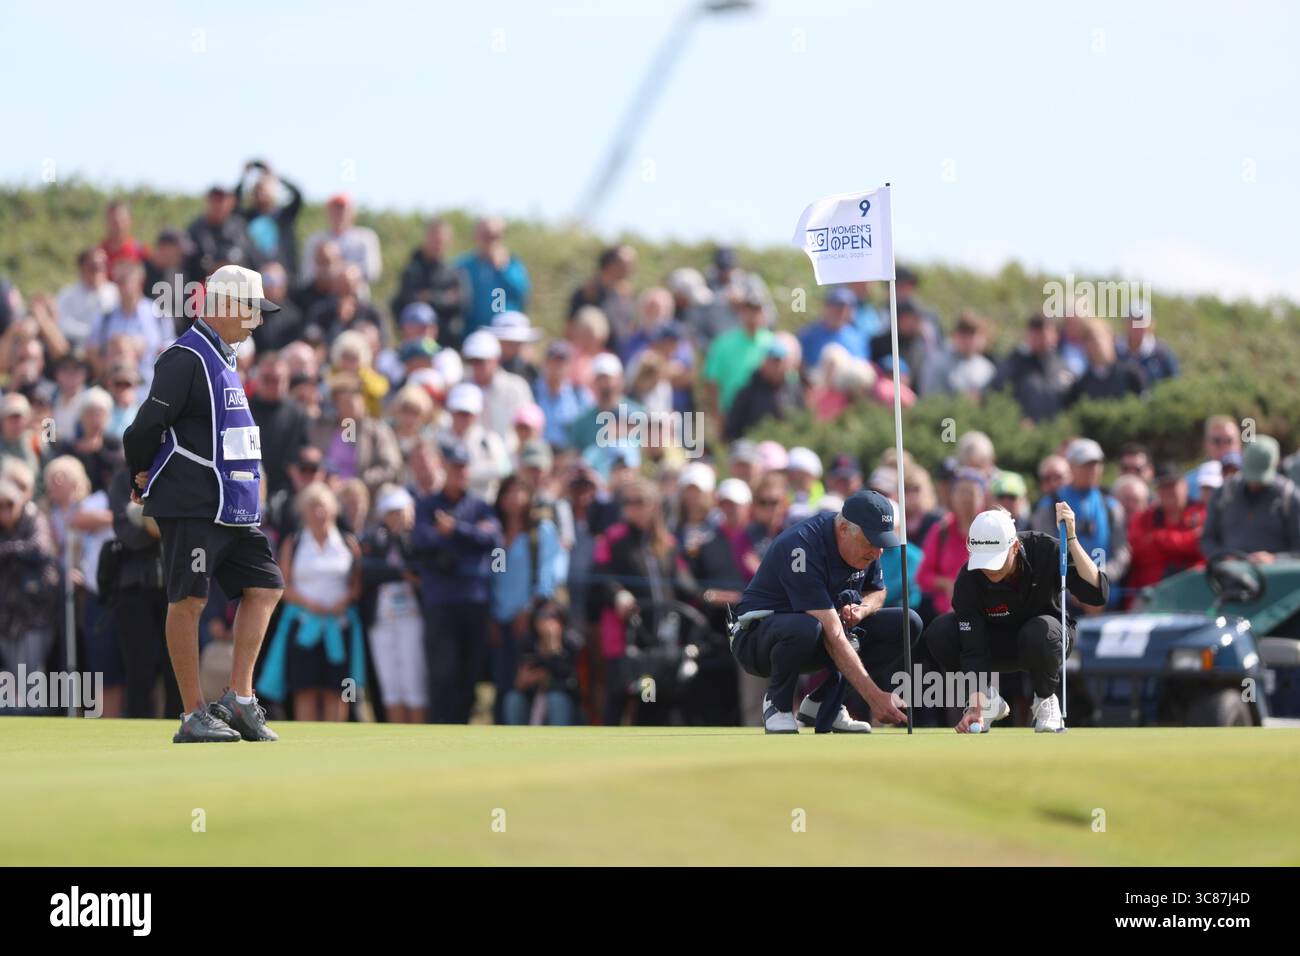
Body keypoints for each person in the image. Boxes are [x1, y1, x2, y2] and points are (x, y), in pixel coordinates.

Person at [121, 265, 285, 743]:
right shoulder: (185, 357)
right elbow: (144, 427)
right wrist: (141, 472)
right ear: (226, 304)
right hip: (192, 502)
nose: (258, 320)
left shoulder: (225, 358)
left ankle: (239, 699)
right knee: (189, 600)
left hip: (232, 506)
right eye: (252, 309)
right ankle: (193, 713)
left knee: (266, 586)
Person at [729, 490, 917, 734]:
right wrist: (874, 696)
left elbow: (877, 591)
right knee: (807, 627)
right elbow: (832, 633)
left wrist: (863, 609)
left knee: (907, 622)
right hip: (756, 640)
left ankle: (824, 703)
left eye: (881, 543)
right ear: (844, 529)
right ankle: (778, 705)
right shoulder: (802, 546)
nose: (877, 552)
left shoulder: (866, 548)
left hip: (815, 638)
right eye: (871, 542)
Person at [921, 505, 1109, 734]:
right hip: (997, 646)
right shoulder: (969, 579)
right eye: (983, 560)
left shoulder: (1045, 549)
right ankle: (989, 702)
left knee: (1038, 632)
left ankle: (1046, 699)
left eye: (996, 560)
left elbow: (1097, 594)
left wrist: (1071, 539)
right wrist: (977, 701)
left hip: (1047, 641)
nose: (989, 569)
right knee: (940, 632)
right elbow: (973, 648)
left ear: (1015, 547)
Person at [412, 442, 502, 723]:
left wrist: (455, 530)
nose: (459, 472)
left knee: (469, 672)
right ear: (445, 469)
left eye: (463, 467)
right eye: (455, 467)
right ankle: (439, 729)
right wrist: (466, 538)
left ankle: (462, 728)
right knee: (443, 672)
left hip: (474, 600)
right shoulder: (428, 505)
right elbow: (421, 539)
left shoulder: (480, 506)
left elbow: (492, 539)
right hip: (441, 600)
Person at [261, 483, 364, 721]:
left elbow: (357, 586)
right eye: (312, 507)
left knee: (339, 690)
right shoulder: (294, 542)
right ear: (303, 511)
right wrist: (309, 604)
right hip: (303, 625)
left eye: (323, 506)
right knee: (304, 689)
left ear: (334, 509)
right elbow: (283, 586)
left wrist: (344, 601)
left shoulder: (348, 542)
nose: (319, 512)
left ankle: (337, 741)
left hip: (339, 626)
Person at [108, 466, 181, 718]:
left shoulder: (177, 470)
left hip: (176, 590)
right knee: (139, 671)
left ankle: (183, 726)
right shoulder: (124, 477)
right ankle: (138, 730)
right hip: (135, 590)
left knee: (177, 670)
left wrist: (149, 519)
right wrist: (160, 525)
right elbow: (127, 531)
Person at [360, 487, 427, 723]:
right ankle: (397, 733)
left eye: (401, 512)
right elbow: (366, 569)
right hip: (381, 619)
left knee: (413, 679)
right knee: (390, 682)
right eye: (392, 513)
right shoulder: (374, 539)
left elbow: (422, 568)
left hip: (411, 617)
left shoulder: (417, 538)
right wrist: (399, 572)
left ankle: (417, 734)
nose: (397, 517)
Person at [1201, 436, 1300, 562]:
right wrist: (1223, 557)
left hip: (1276, 574)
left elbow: (1298, 551)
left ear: (1276, 463)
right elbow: (1208, 540)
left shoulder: (1289, 496)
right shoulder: (1224, 494)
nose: (1254, 483)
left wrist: (1274, 559)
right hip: (1229, 572)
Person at [1127, 464, 1206, 601]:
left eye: (1172, 485)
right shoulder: (1144, 518)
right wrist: (1186, 544)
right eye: (1163, 486)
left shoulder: (1201, 513)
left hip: (1195, 594)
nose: (1168, 491)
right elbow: (1137, 550)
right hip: (1152, 597)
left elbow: (1204, 545)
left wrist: (1158, 538)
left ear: (1185, 486)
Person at [392, 218, 465, 350]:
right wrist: (444, 297)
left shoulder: (454, 273)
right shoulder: (412, 271)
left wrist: (429, 297)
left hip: (446, 343)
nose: (437, 244)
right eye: (434, 239)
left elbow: (461, 303)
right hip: (415, 347)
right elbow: (404, 302)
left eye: (441, 240)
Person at [992, 314, 1075, 422]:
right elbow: (996, 395)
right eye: (1036, 335)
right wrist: (1016, 420)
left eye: (1043, 334)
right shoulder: (1015, 364)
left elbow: (1072, 401)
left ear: (1055, 335)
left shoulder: (1062, 367)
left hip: (1054, 429)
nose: (1040, 339)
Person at [456, 216, 530, 336]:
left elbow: (522, 294)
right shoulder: (464, 266)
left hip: (505, 335)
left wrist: (503, 270)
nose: (490, 241)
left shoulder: (512, 265)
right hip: (473, 334)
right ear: (476, 236)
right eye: (486, 236)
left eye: (495, 236)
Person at [234, 160, 304, 280]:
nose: (261, 194)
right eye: (257, 190)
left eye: (264, 190)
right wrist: (244, 178)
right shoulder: (247, 217)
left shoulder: (284, 216)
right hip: (253, 274)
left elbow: (297, 196)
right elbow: (233, 203)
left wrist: (276, 176)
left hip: (283, 277)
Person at [301, 193, 382, 287]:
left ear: (353, 213)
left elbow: (372, 272)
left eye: (343, 210)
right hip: (321, 293)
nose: (339, 214)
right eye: (335, 210)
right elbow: (307, 273)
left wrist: (345, 274)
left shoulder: (366, 237)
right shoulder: (315, 239)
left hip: (356, 292)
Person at [56, 249, 120, 348]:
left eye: (102, 266)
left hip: (109, 348)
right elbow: (62, 324)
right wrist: (92, 332)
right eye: (93, 267)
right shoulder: (68, 294)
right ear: (82, 268)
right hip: (75, 347)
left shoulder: (116, 293)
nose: (98, 270)